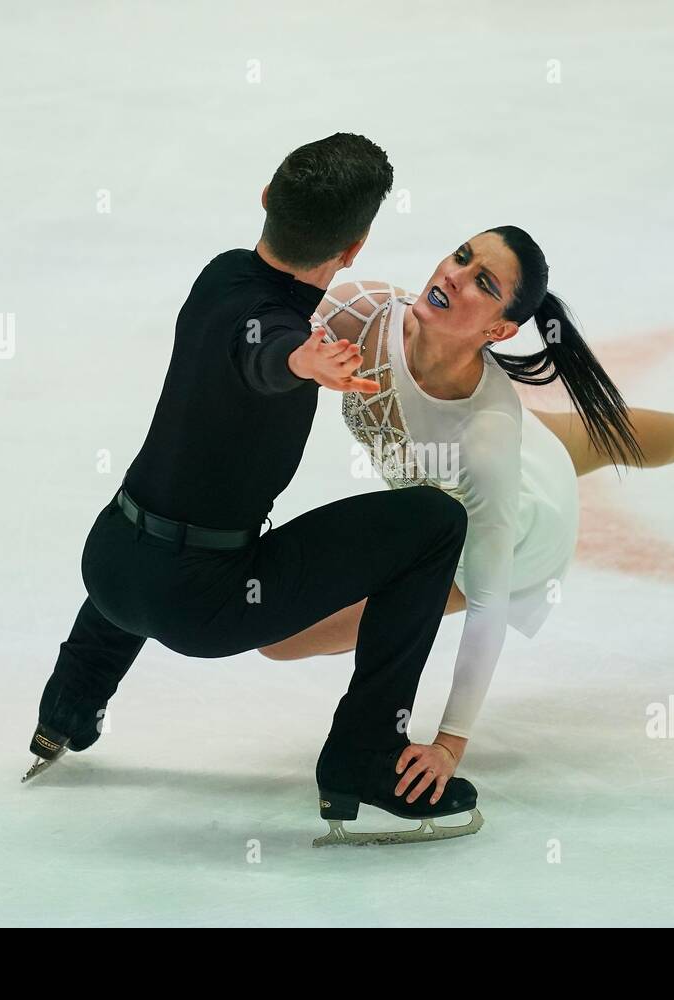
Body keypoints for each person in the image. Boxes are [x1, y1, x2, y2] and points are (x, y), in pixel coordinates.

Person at [259, 226, 674, 797]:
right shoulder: (363, 312)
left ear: (499, 329)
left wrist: (449, 744)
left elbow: (487, 603)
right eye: (462, 257)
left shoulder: (485, 438)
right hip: (524, 451)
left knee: (278, 635)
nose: (454, 276)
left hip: (519, 533)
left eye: (481, 282)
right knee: (603, 436)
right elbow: (265, 352)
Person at [26, 134, 485, 847]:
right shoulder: (282, 327)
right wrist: (300, 358)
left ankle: (66, 709)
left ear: (267, 196)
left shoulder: (221, 275)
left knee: (167, 504)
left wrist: (296, 352)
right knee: (434, 523)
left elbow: (253, 337)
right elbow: (262, 349)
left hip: (110, 561)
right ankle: (364, 755)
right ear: (356, 248)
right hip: (201, 605)